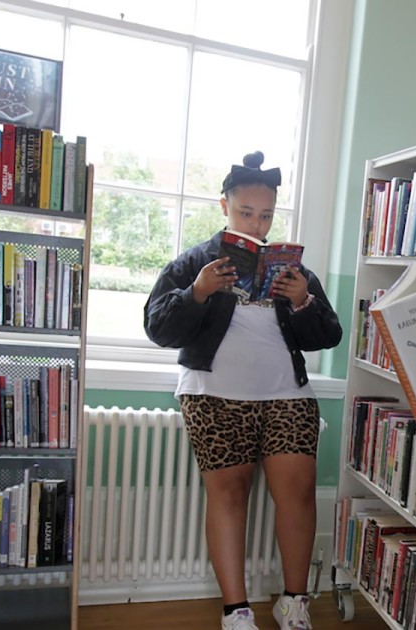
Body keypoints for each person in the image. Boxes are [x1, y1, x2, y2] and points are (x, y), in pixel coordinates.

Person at [144, 152, 342, 630]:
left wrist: (303, 302)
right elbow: (158, 326)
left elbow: (328, 334)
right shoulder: (194, 262)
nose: (256, 223)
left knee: (297, 491)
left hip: (285, 394)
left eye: (266, 214)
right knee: (229, 493)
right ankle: (236, 612)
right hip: (213, 392)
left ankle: (294, 603)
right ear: (225, 207)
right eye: (246, 213)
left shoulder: (292, 269)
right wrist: (197, 292)